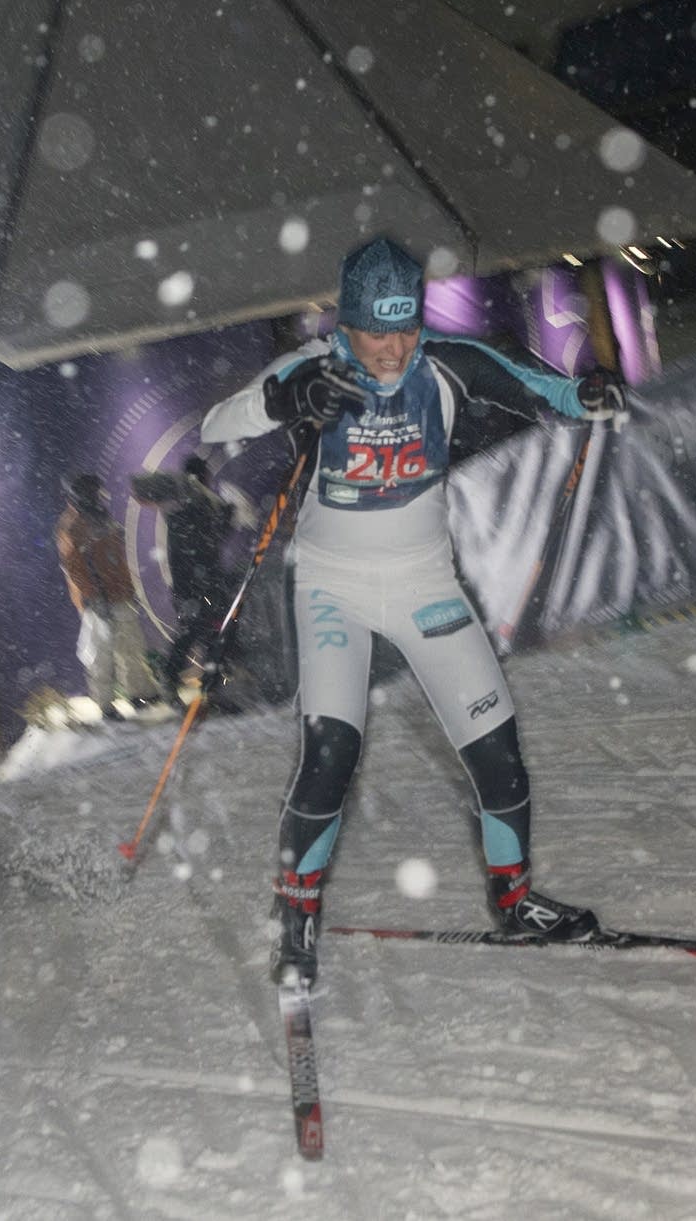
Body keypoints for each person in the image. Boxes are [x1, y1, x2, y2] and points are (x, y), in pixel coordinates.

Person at [200, 236, 627, 990]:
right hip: (333, 588)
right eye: (376, 330)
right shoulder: (316, 368)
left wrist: (590, 388)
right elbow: (216, 425)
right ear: (347, 323)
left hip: (426, 585)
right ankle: (295, 922)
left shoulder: (446, 364)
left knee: (497, 749)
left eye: (406, 327)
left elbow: (544, 386)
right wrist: (287, 400)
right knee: (331, 754)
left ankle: (517, 899)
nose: (394, 347)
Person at [131, 457, 237, 706]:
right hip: (192, 584)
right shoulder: (187, 503)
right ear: (200, 477)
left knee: (210, 635)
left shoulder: (194, 504)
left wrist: (225, 517)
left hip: (204, 581)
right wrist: (224, 516)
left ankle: (211, 690)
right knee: (193, 634)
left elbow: (212, 540)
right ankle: (173, 679)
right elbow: (201, 542)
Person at [55, 472, 160, 721]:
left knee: (131, 647)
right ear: (82, 494)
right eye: (93, 492)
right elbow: (74, 568)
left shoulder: (100, 517)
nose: (98, 496)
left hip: (119, 594)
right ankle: (105, 705)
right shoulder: (71, 525)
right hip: (98, 601)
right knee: (101, 656)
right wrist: (92, 597)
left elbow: (118, 558)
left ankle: (139, 694)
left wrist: (129, 588)